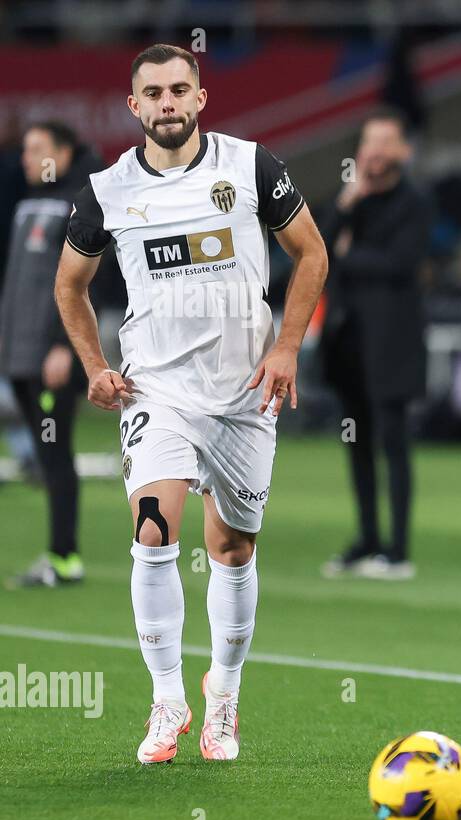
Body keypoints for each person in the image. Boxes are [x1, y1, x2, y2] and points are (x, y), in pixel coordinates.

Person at [53, 44, 328, 764]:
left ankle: (224, 695)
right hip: (158, 389)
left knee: (232, 549)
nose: (168, 102)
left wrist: (287, 347)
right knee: (152, 531)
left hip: (244, 392)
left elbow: (313, 254)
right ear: (134, 106)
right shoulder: (106, 191)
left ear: (200, 99)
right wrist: (95, 366)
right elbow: (69, 286)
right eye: (154, 93)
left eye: (180, 89)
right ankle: (167, 696)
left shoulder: (250, 167)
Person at [318, 107, 432, 581]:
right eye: (369, 142)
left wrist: (351, 256)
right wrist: (346, 207)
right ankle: (367, 538)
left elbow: (401, 263)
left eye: (386, 142)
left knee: (393, 442)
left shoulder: (416, 202)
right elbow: (316, 254)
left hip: (392, 344)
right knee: (356, 443)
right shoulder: (350, 202)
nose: (376, 152)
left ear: (404, 151)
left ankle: (397, 550)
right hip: (348, 342)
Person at [0, 122, 98, 587]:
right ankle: (59, 554)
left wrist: (64, 346)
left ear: (62, 151)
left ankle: (64, 557)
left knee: (55, 456)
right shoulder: (25, 205)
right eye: (24, 149)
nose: (26, 157)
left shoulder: (78, 205)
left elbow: (80, 285)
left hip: (49, 360)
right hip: (17, 359)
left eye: (36, 148)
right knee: (44, 455)